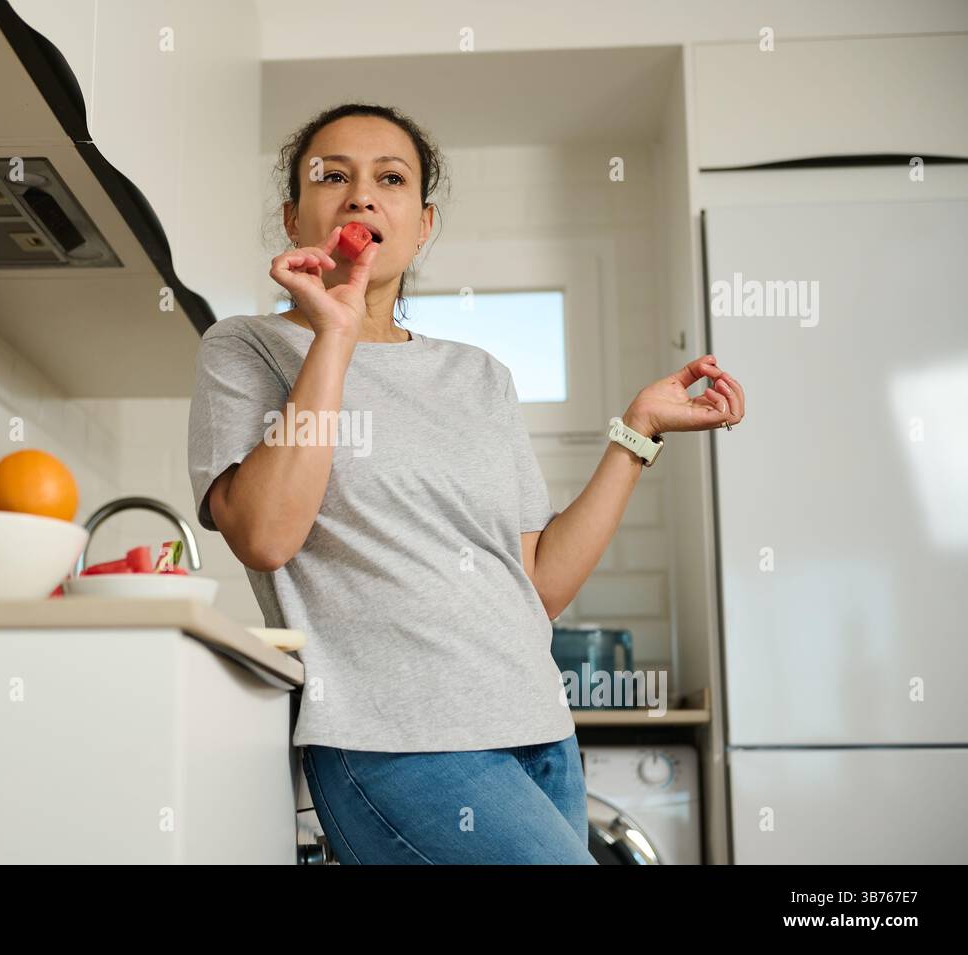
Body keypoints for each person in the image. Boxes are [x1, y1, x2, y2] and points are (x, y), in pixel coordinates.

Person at [187, 103, 745, 864]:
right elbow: (265, 532)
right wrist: (336, 335)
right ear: (293, 216)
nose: (361, 195)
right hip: (393, 740)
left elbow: (537, 583)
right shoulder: (249, 346)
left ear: (423, 223)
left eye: (390, 178)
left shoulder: (479, 376)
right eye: (333, 176)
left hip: (540, 733)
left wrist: (638, 429)